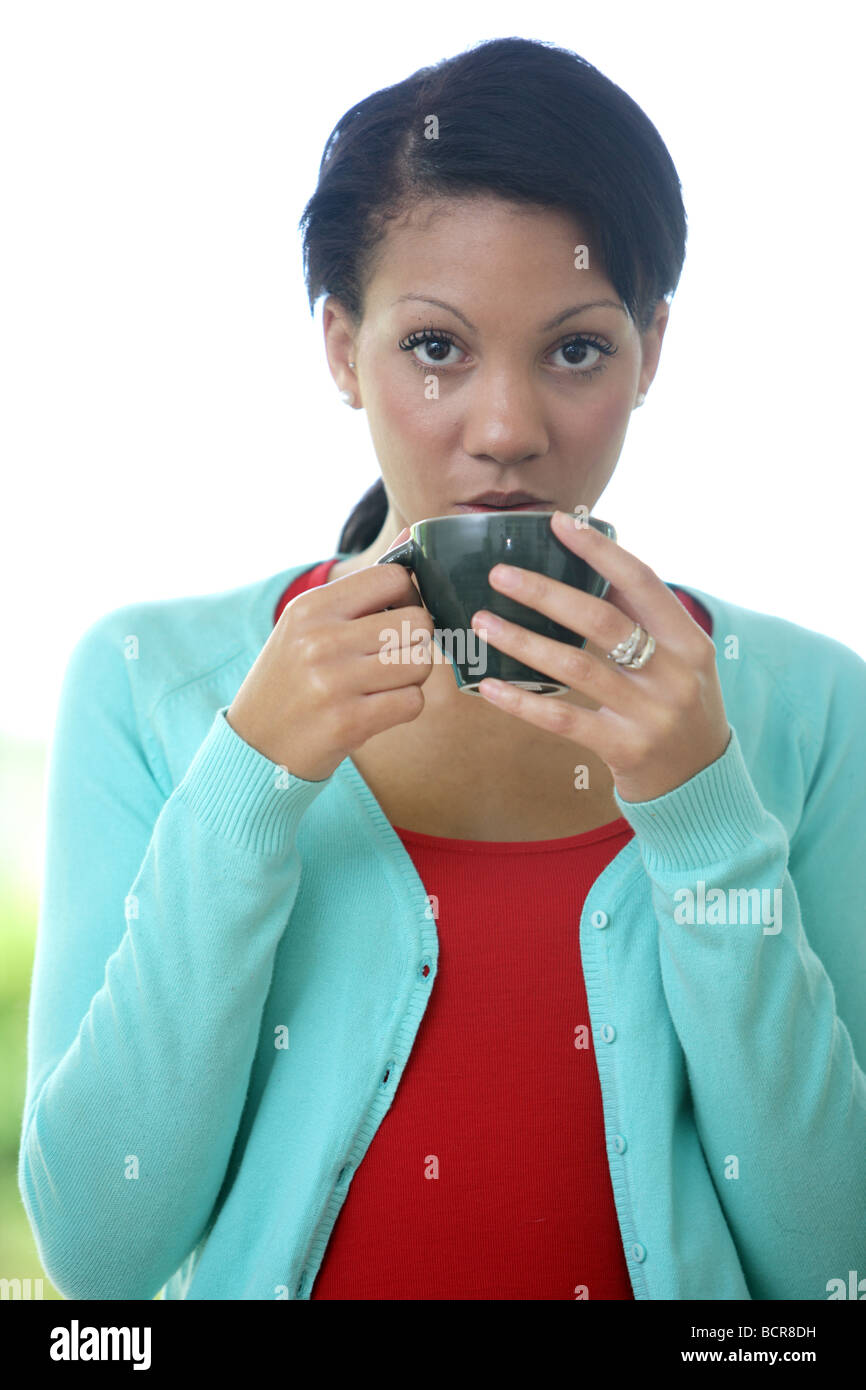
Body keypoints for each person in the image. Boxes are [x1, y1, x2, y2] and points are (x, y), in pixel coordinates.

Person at [18, 36, 866, 1302]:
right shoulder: (155, 683)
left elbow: (831, 1266)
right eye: (433, 347)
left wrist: (700, 814)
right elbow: (98, 1255)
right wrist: (243, 786)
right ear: (337, 346)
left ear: (651, 348)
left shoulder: (804, 707)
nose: (507, 427)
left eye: (576, 348)